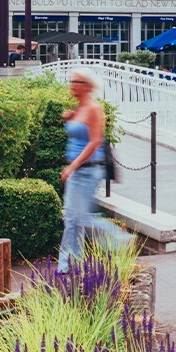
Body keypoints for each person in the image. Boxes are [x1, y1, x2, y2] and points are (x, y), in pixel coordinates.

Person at [57, 71, 128, 272]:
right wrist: (69, 119)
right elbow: (79, 131)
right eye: (71, 81)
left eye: (76, 82)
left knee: (78, 218)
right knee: (72, 219)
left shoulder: (94, 108)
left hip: (87, 170)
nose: (72, 85)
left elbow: (95, 141)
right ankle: (70, 264)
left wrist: (73, 165)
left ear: (87, 86)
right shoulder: (79, 108)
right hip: (78, 171)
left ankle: (118, 239)